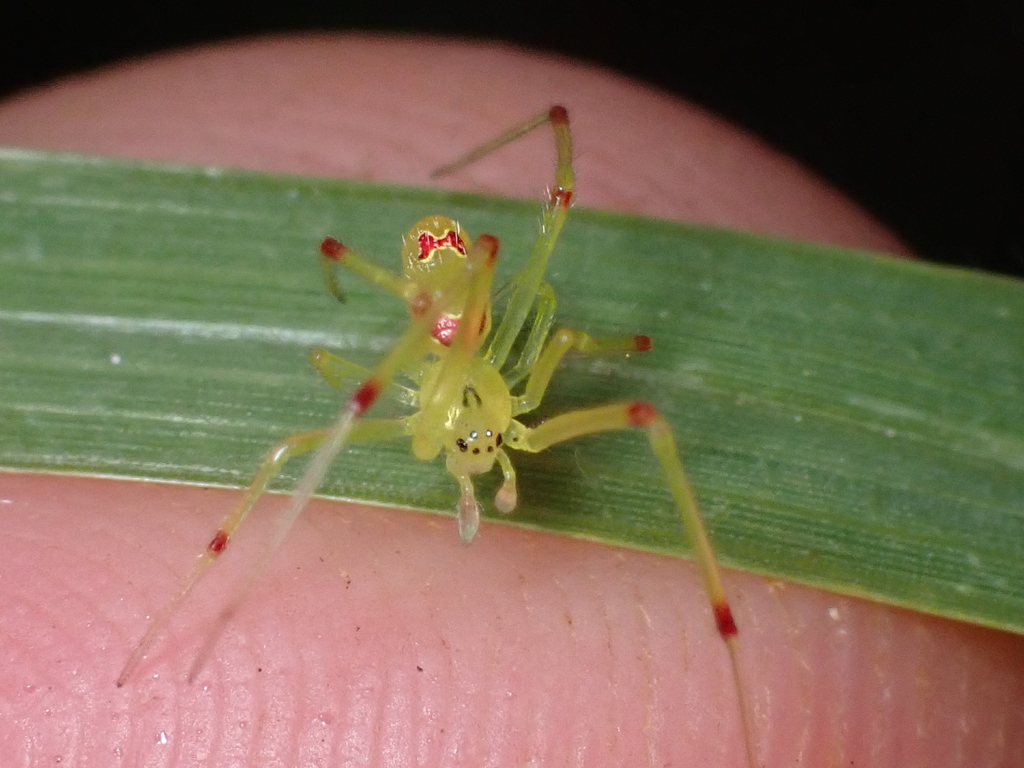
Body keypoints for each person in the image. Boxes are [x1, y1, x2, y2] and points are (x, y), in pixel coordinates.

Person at [1, 34, 1021, 767]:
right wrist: (410, 345)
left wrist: (594, 349)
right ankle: (193, 612)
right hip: (435, 323)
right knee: (282, 454)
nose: (495, 442)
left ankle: (732, 653)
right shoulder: (410, 378)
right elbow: (360, 383)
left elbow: (564, 330)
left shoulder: (515, 385)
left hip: (470, 322)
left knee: (608, 344)